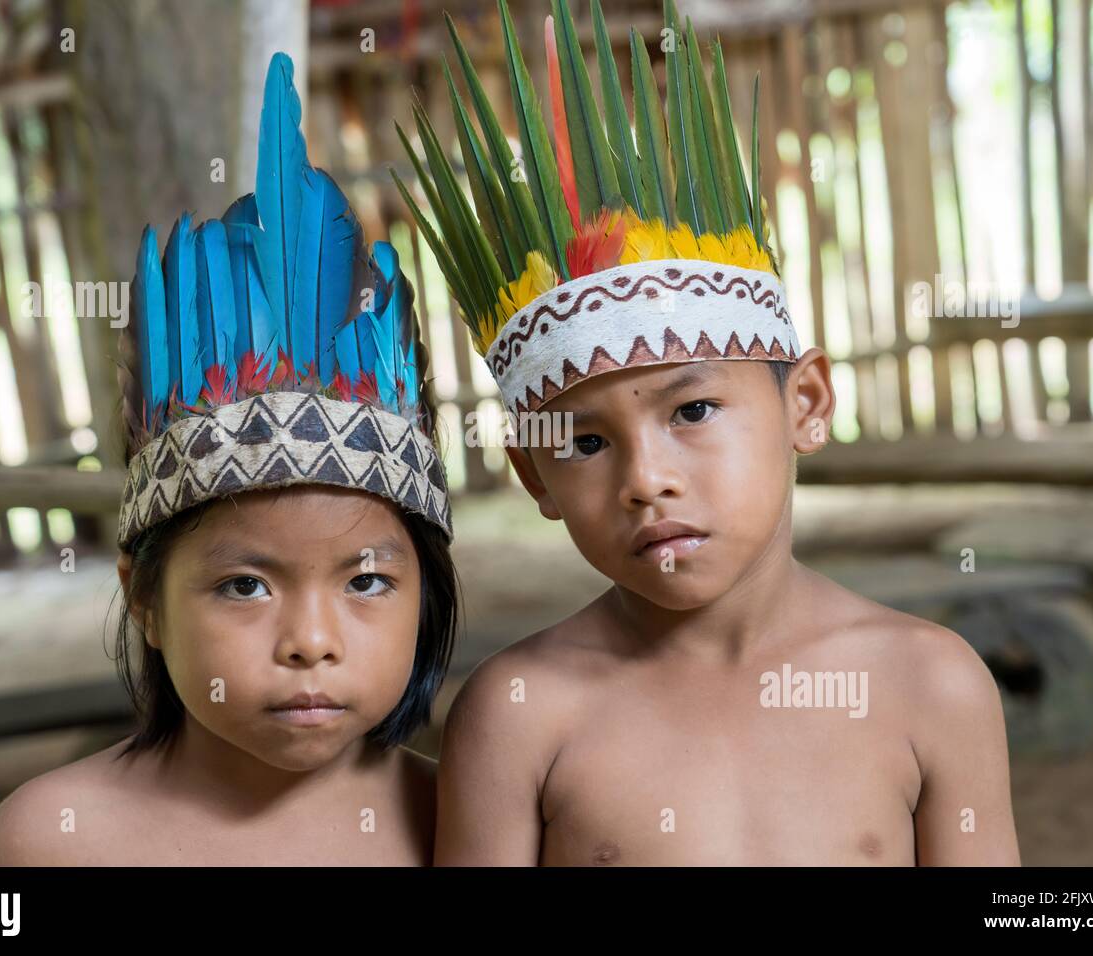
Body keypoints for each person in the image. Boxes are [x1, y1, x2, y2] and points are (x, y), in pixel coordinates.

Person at [396, 0, 1019, 865]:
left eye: (692, 411)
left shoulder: (930, 685)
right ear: (533, 475)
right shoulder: (520, 713)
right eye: (583, 442)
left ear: (804, 402)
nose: (645, 478)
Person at [0, 52, 457, 866]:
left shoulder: (459, 826)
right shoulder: (50, 840)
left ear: (428, 595)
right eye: (244, 585)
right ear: (145, 602)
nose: (310, 640)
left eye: (367, 580)